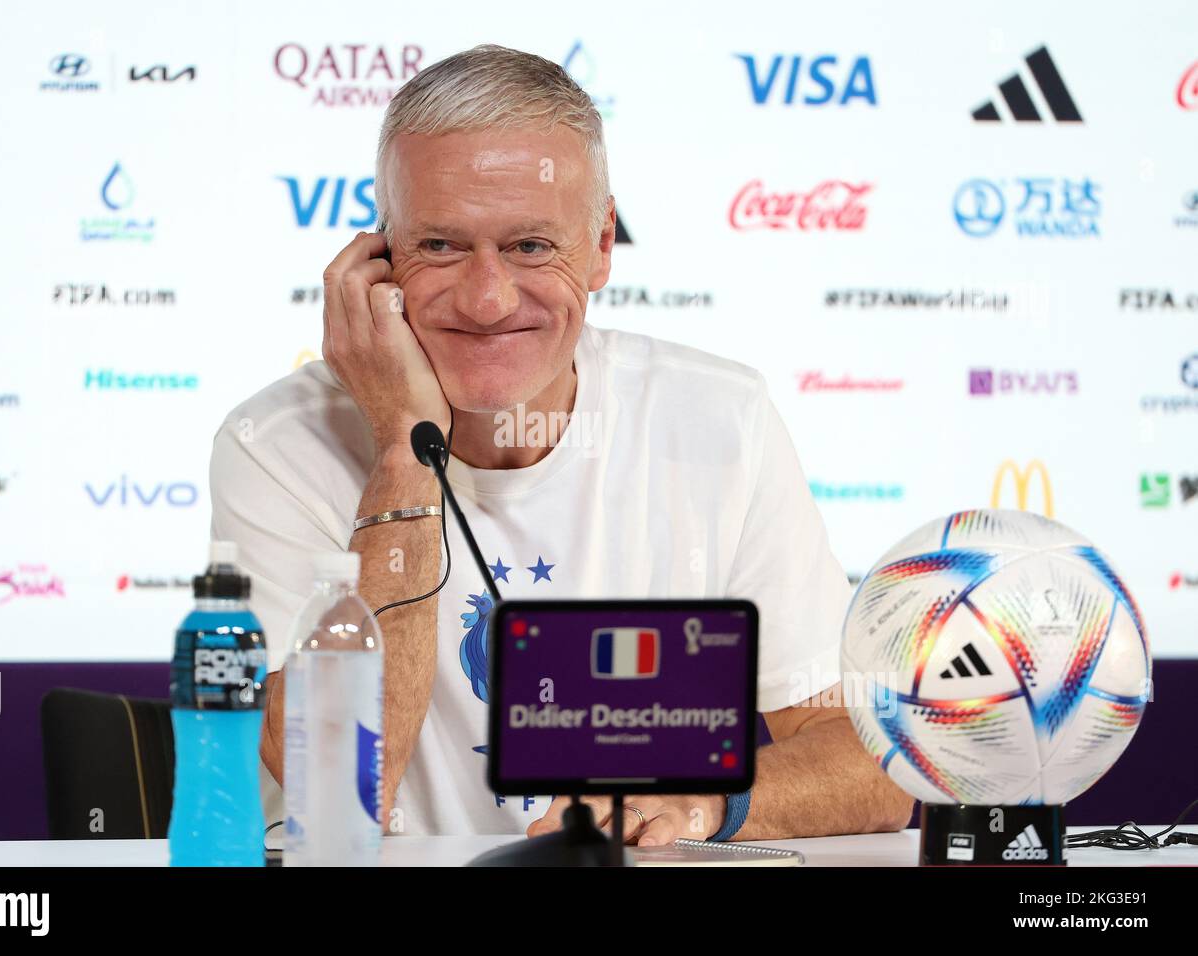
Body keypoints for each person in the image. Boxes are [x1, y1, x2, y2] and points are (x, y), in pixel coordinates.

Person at [209, 44, 914, 844]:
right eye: (440, 245)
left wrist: (701, 806)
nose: (486, 298)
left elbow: (873, 768)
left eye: (531, 247)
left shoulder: (719, 419)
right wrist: (405, 447)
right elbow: (338, 786)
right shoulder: (274, 444)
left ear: (603, 245)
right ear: (379, 261)